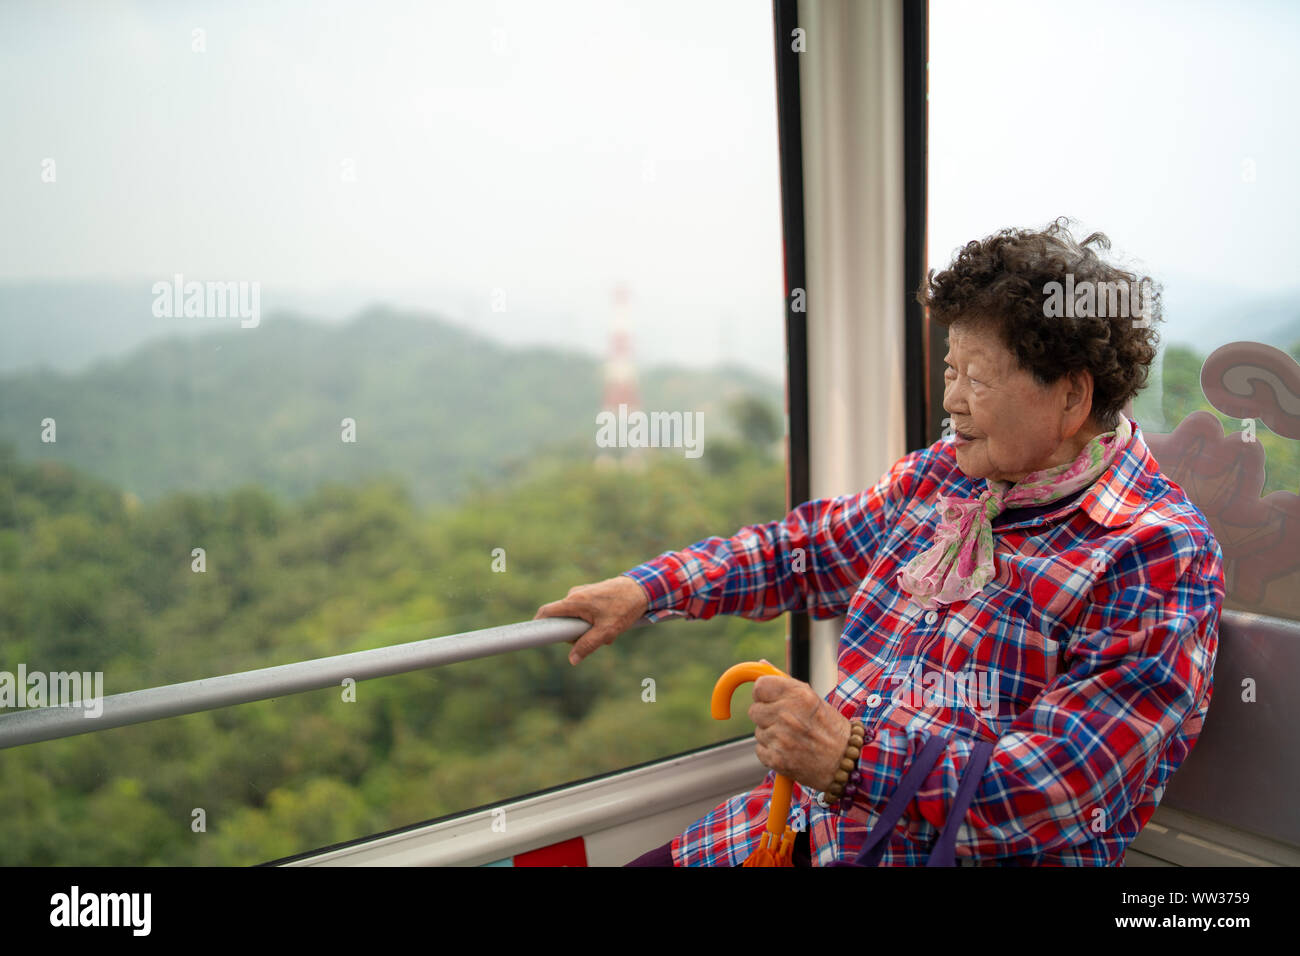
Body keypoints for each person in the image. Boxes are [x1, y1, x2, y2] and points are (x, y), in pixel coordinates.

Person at [534, 220, 1225, 866]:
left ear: (1072, 397)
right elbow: (800, 551)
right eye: (949, 370)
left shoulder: (1156, 552)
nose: (951, 400)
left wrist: (849, 759)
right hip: (799, 827)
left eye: (976, 378)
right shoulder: (939, 479)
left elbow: (1061, 787)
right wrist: (650, 589)